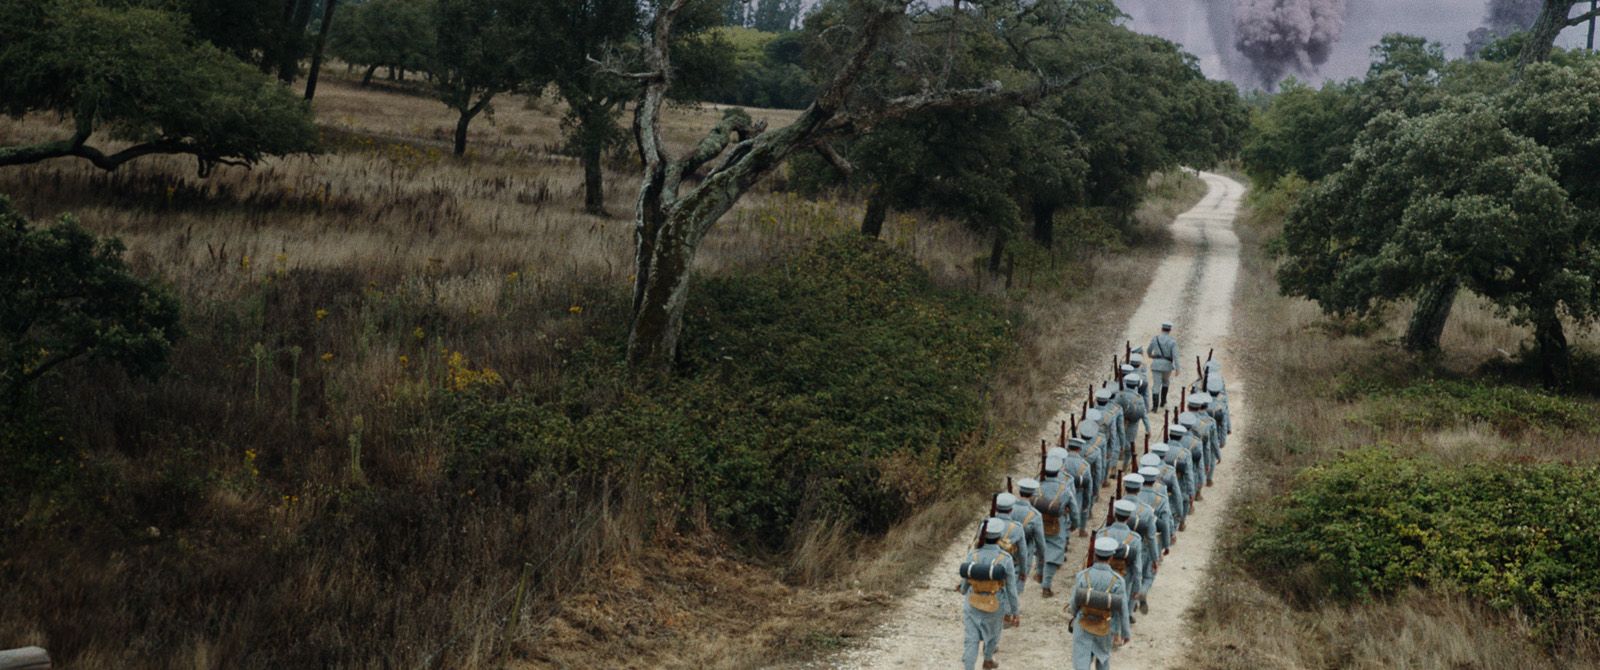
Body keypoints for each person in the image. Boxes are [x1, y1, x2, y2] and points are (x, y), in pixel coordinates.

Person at [959, 518, 1019, 670]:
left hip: (972, 602)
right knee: (993, 635)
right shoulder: (1005, 559)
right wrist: (1014, 611)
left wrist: (963, 590)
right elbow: (1011, 588)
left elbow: (965, 582)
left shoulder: (973, 554)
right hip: (995, 603)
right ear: (999, 537)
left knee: (971, 640)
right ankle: (987, 659)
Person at [1068, 536, 1132, 670]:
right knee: (1103, 661)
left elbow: (1074, 604)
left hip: (1083, 624)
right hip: (1105, 626)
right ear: (1111, 558)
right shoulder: (1118, 581)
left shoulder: (1082, 575)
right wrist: (1125, 632)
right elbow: (1123, 609)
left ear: (1095, 555)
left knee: (1081, 661)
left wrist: (1075, 614)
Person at [1036, 456, 1080, 597]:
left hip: (1039, 523)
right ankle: (1046, 586)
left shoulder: (1038, 486)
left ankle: (1039, 573)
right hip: (1057, 525)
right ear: (1059, 471)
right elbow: (1073, 508)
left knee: (1041, 548)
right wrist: (1075, 524)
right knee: (1054, 554)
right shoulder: (1064, 489)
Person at [1100, 500, 1148, 618]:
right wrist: (1137, 588)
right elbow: (1137, 567)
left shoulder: (1102, 533)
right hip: (1124, 576)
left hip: (1103, 575)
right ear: (1128, 518)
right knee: (1120, 604)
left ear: (1115, 515)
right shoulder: (1135, 539)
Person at [1117, 473, 1160, 600]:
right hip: (1137, 546)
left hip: (1115, 547)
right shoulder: (1146, 510)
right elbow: (1151, 537)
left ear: (1125, 486)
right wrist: (1155, 558)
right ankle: (1129, 610)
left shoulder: (1117, 505)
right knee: (1133, 578)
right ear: (1139, 488)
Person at [992, 493, 1029, 627]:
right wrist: (1024, 571)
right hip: (1008, 564)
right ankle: (1007, 613)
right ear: (1011, 509)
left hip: (987, 563)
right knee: (1009, 589)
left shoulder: (987, 524)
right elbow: (1023, 552)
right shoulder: (1017, 527)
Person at [1011, 479, 1047, 594]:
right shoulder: (1035, 515)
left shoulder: (1007, 508)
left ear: (1019, 492)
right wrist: (1040, 567)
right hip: (1024, 554)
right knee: (1017, 585)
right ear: (1032, 495)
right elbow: (1040, 544)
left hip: (1003, 550)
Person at [1137, 464, 1177, 553]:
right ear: (1155, 480)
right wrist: (1167, 543)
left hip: (1135, 539)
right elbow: (1166, 521)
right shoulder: (1161, 499)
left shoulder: (1136, 496)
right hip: (1154, 539)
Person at [1114, 375, 1148, 471]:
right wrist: (1148, 428)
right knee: (1129, 446)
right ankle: (1125, 465)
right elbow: (1144, 414)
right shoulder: (1139, 398)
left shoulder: (1119, 395)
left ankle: (1113, 467)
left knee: (1116, 445)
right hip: (1133, 423)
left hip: (1119, 421)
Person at [1064, 437, 1095, 532]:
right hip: (1078, 494)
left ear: (1068, 447)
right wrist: (1087, 504)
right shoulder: (1085, 466)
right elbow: (1088, 488)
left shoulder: (1061, 462)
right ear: (1079, 449)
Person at [1147, 322, 1179, 408]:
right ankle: (1163, 401)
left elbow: (1149, 350)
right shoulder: (1172, 341)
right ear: (1170, 330)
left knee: (1156, 384)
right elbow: (1175, 356)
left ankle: (1155, 407)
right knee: (1166, 381)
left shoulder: (1155, 339)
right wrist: (1177, 368)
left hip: (1156, 364)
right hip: (1167, 365)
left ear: (1162, 329)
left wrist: (1150, 356)